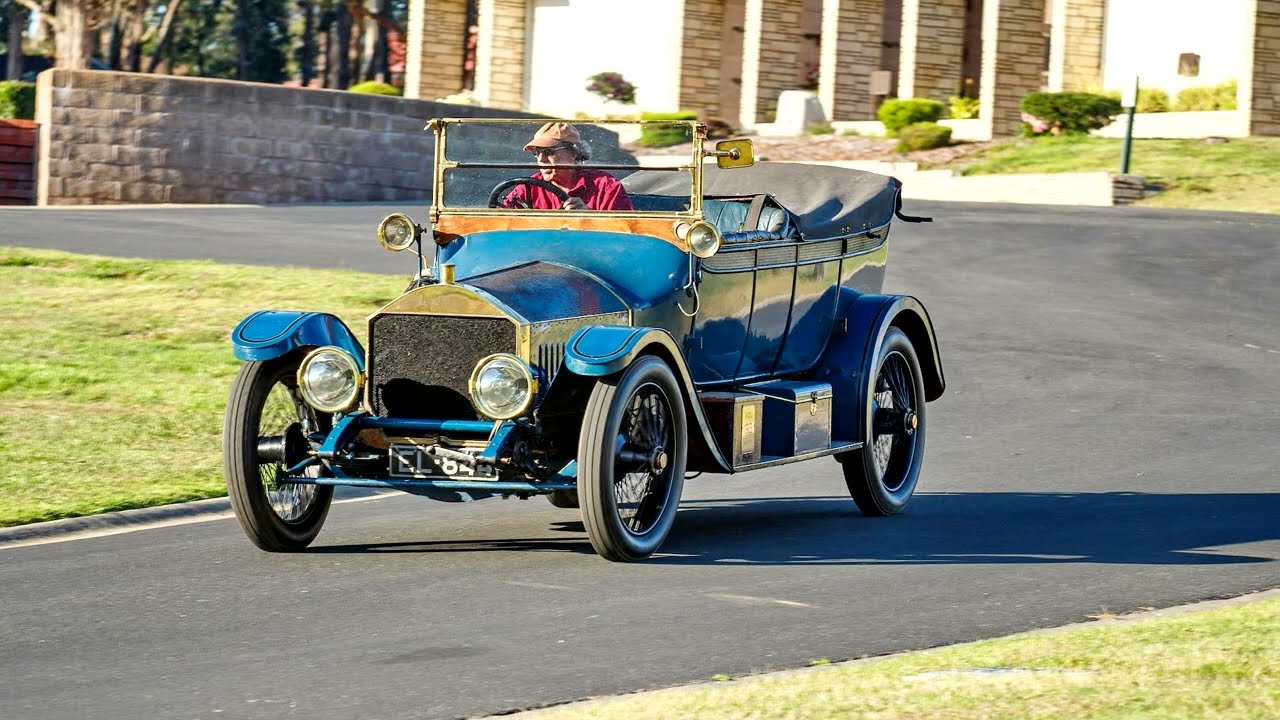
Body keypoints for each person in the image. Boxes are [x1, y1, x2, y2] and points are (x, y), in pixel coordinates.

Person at [502, 122, 634, 211]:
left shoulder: (605, 186)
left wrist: (589, 216)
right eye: (536, 152)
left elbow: (626, 232)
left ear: (573, 153)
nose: (541, 159)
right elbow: (501, 222)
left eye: (548, 151)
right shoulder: (528, 188)